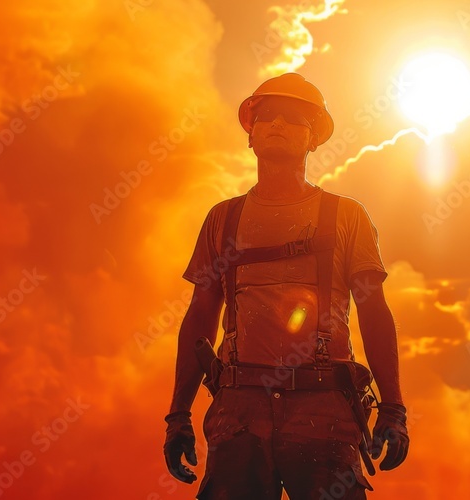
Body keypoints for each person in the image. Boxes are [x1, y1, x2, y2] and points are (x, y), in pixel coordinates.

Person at [163, 73, 409, 499]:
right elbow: (199, 316)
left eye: (294, 118)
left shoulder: (345, 216)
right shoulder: (224, 219)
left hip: (324, 411)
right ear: (251, 134)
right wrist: (177, 415)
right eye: (268, 116)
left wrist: (394, 407)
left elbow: (374, 312)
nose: (278, 125)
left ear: (313, 138)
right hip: (239, 411)